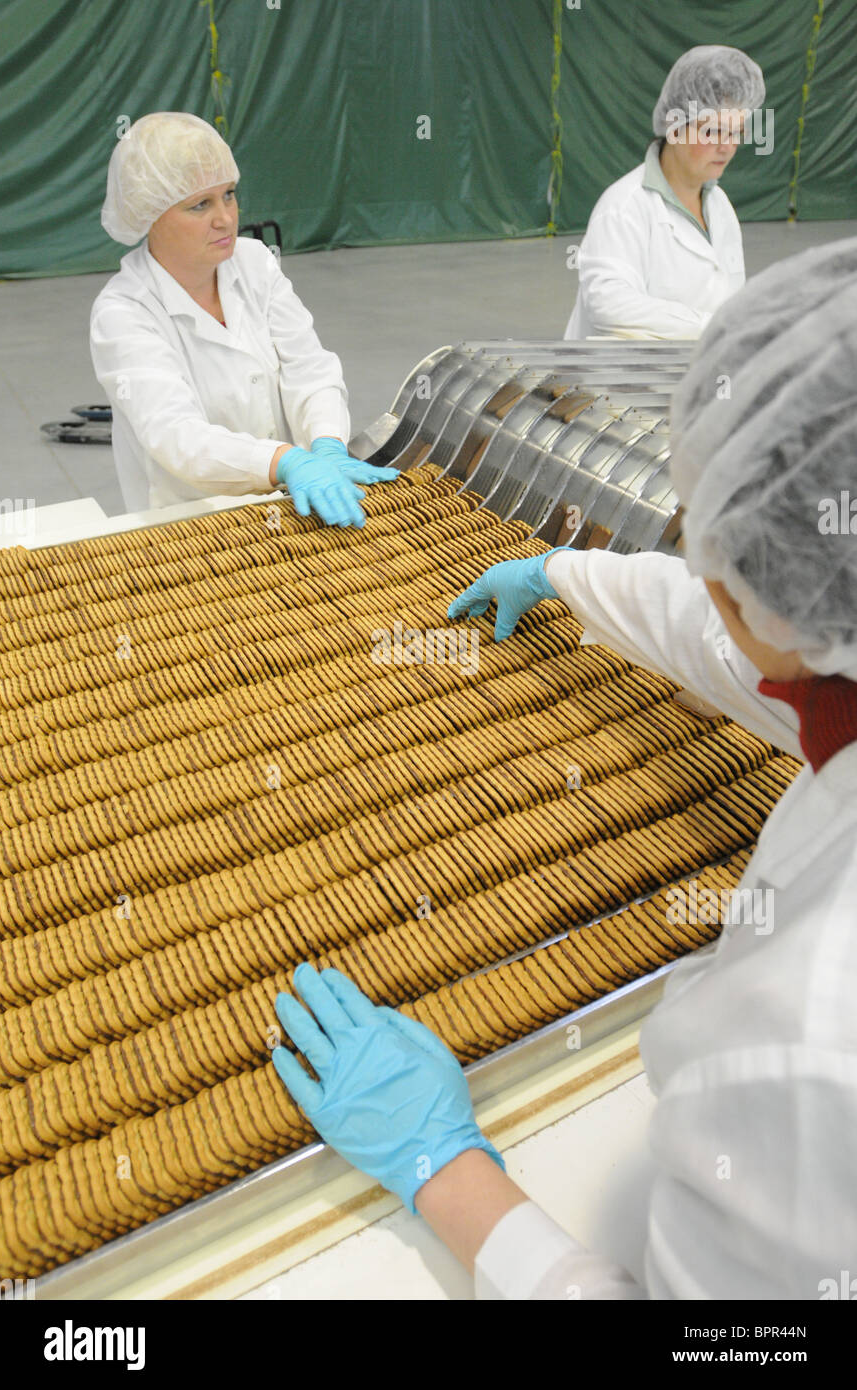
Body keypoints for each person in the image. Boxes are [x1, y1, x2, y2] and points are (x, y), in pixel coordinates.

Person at [272, 236, 857, 1298]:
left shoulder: (814, 1035)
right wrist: (560, 571)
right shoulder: (822, 639)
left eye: (711, 548)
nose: (701, 572)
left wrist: (442, 1169)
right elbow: (739, 642)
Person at [91, 112, 397, 521]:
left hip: (290, 510)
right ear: (150, 214)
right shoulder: (124, 312)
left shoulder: (254, 263)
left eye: (229, 195)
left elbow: (308, 366)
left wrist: (326, 443)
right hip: (191, 526)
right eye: (200, 204)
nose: (225, 218)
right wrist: (285, 461)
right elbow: (176, 435)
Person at [565, 46, 765, 341]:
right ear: (675, 127)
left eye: (736, 133)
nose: (727, 147)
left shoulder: (720, 207)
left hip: (691, 375)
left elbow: (730, 302)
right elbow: (609, 305)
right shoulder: (624, 208)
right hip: (617, 382)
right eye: (713, 132)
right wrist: (711, 327)